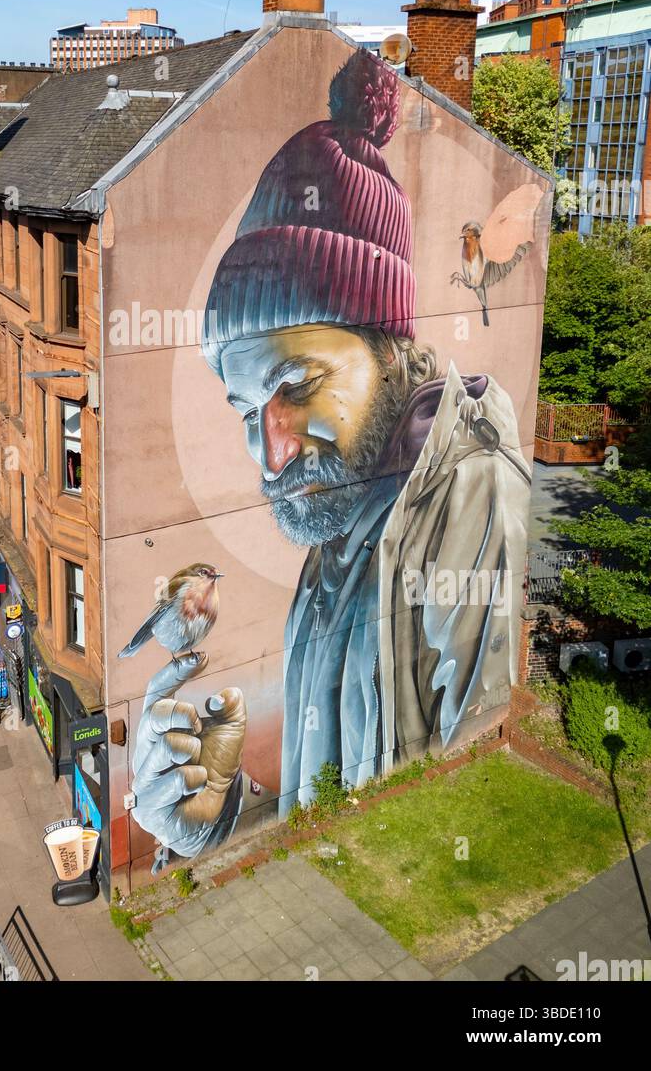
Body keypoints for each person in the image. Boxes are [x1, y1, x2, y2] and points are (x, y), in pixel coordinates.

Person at [129, 49, 533, 867]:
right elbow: (335, 807)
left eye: (295, 383)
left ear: (388, 348)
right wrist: (219, 813)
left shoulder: (467, 491)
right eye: (246, 409)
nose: (270, 451)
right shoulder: (340, 531)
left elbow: (460, 820)